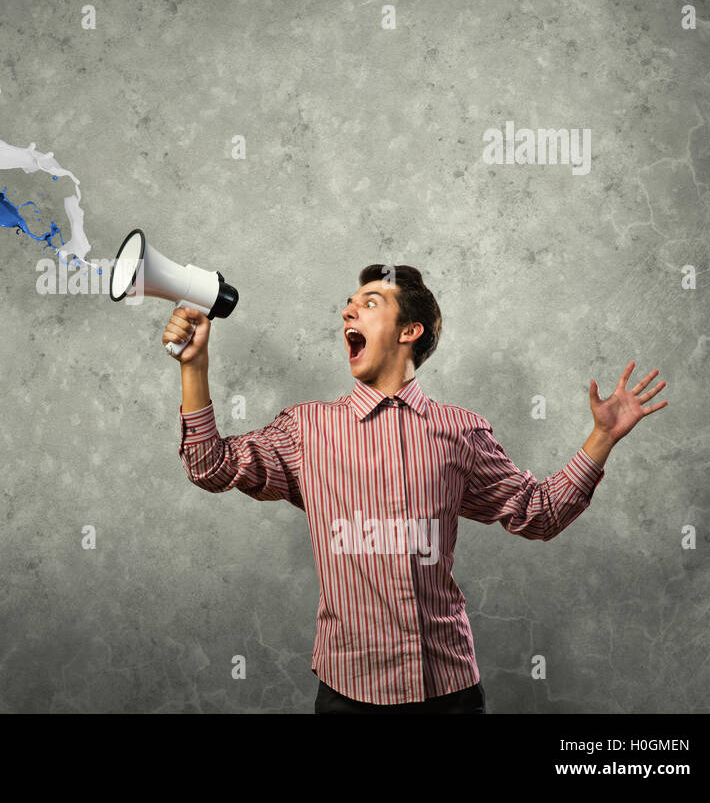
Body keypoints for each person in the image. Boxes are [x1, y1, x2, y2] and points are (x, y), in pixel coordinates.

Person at [166, 264, 667, 713]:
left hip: (447, 694)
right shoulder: (307, 430)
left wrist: (601, 438)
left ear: (409, 330)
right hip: (347, 694)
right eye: (349, 304)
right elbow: (209, 465)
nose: (347, 311)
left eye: (369, 303)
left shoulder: (461, 431)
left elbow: (539, 514)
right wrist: (194, 365)